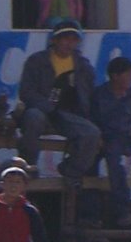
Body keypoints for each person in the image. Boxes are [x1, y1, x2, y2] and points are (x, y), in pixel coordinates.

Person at [17, 18, 100, 182]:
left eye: (73, 39)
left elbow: (89, 96)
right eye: (65, 38)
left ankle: (71, 171)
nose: (69, 43)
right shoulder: (37, 61)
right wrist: (47, 107)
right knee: (34, 117)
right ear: (54, 40)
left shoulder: (84, 66)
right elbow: (26, 92)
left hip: (68, 115)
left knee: (92, 133)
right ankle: (27, 167)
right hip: (41, 112)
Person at [91, 56, 131, 189]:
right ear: (115, 76)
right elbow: (90, 118)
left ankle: (121, 201)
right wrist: (98, 138)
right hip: (99, 140)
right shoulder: (99, 94)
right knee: (89, 169)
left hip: (121, 141)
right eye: (128, 74)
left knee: (115, 166)